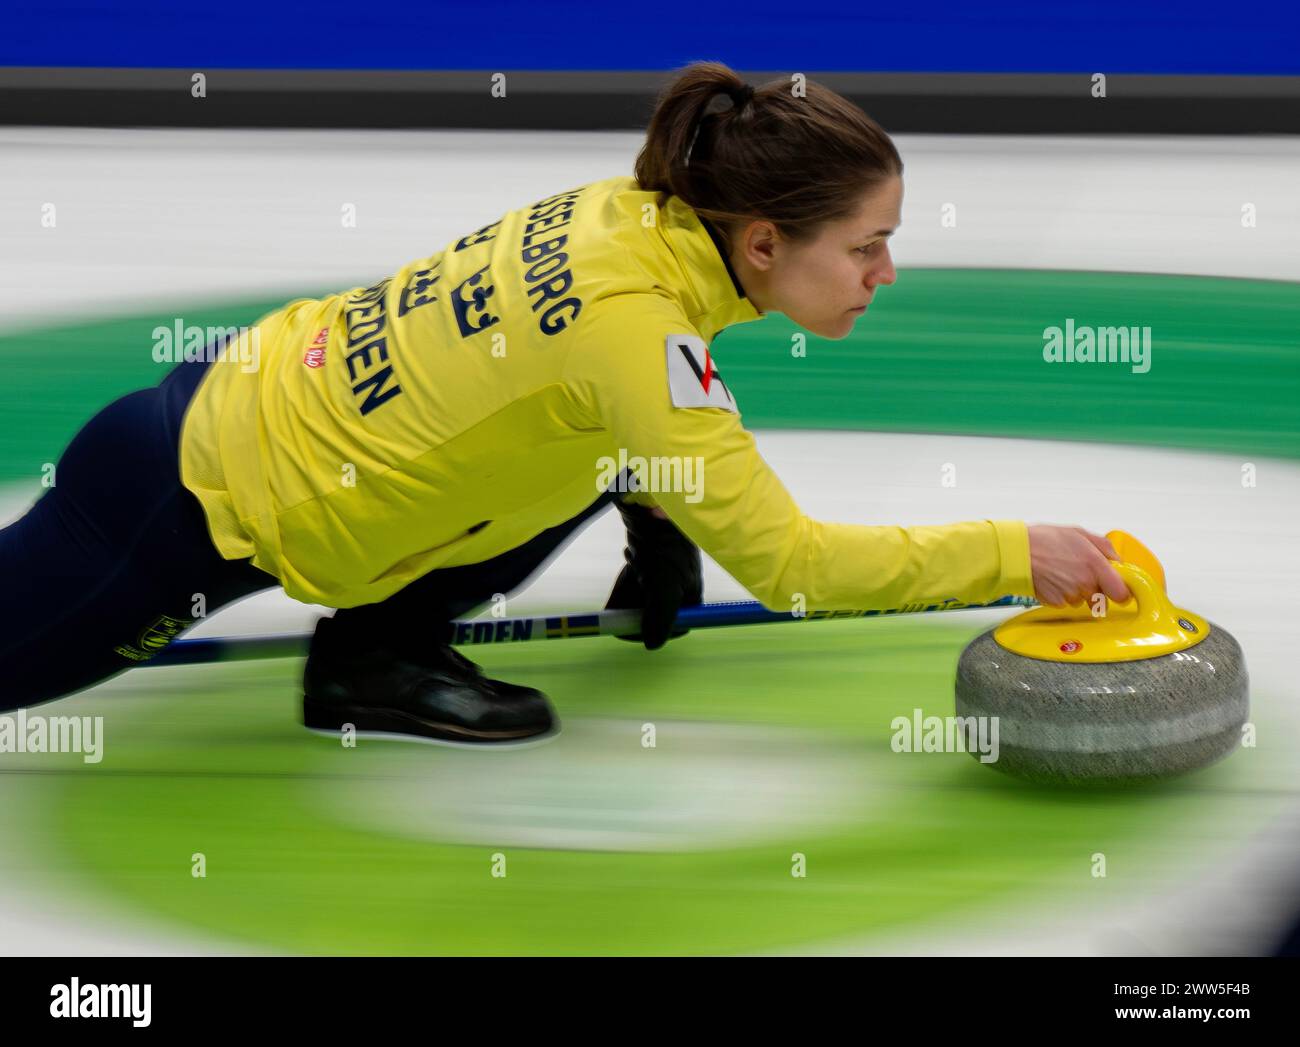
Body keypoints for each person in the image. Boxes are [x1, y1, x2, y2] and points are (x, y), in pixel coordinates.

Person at [0, 61, 1129, 744]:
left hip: (227, 412)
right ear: (764, 239)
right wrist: (1011, 554)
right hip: (179, 514)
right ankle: (373, 652)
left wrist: (660, 525)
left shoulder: (630, 216)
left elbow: (591, 397)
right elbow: (797, 567)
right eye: (869, 246)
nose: (887, 272)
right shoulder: (646, 338)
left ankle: (375, 663)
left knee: (575, 440)